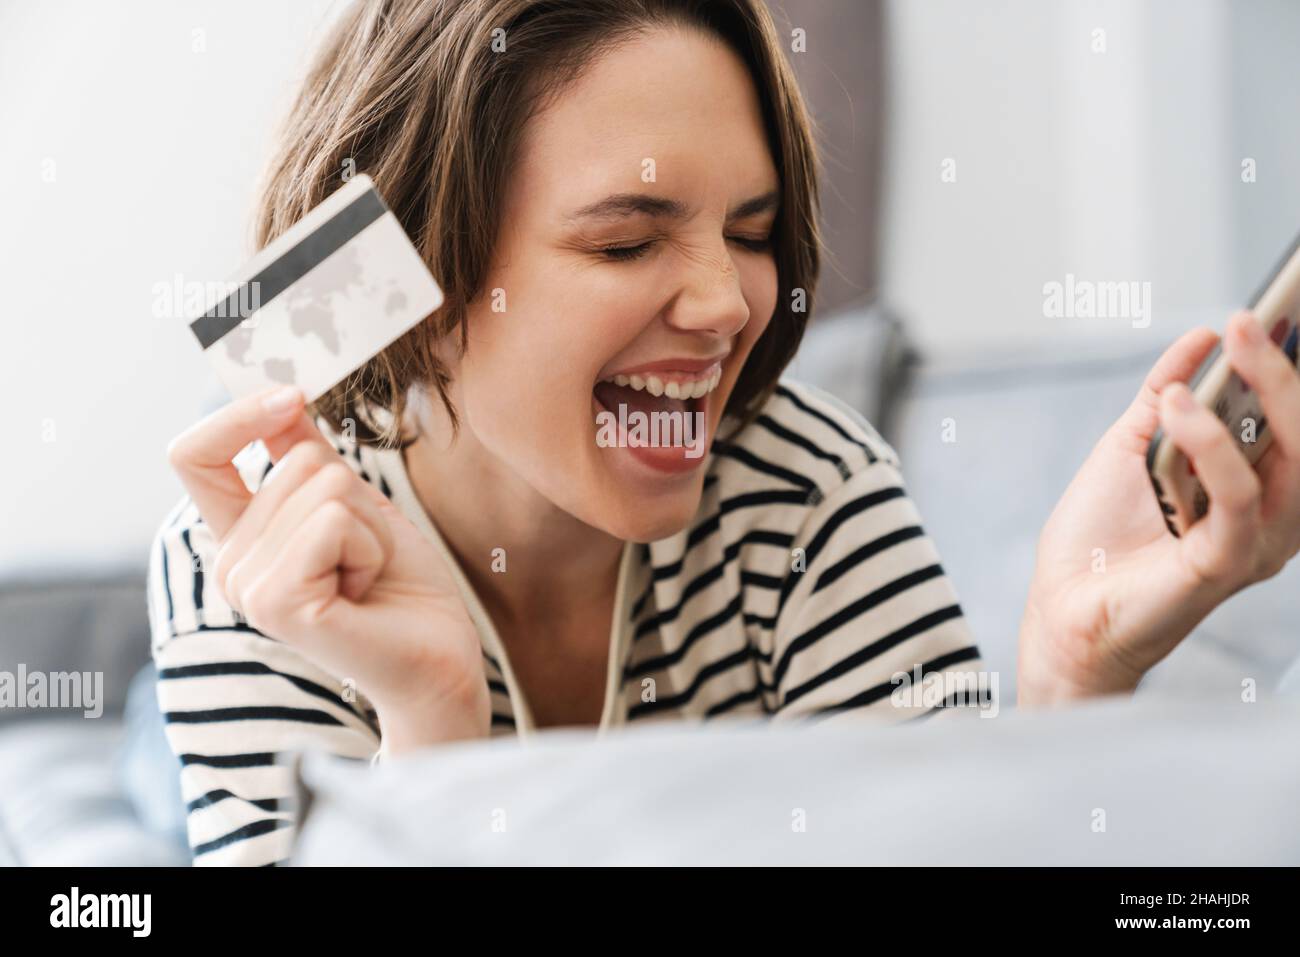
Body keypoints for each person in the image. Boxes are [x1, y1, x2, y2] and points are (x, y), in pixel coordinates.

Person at [147, 0, 1300, 866]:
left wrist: (1067, 679)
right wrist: (431, 732)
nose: (727, 305)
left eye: (750, 232)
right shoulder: (252, 568)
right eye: (625, 243)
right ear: (422, 285)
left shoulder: (812, 494)